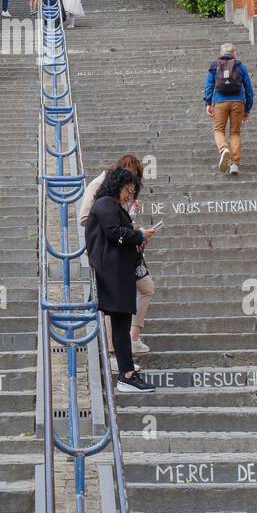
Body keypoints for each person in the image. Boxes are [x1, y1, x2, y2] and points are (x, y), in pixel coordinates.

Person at [84, 169, 154, 394]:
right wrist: (139, 235)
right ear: (117, 185)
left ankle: (127, 373)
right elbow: (115, 233)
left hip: (117, 270)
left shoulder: (109, 205)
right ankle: (126, 375)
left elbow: (117, 235)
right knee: (121, 324)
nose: (129, 196)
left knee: (122, 324)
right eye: (127, 190)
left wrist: (138, 239)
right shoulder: (105, 203)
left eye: (132, 193)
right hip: (112, 272)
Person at [204, 43, 254, 176]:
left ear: (221, 54)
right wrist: (247, 109)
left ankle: (223, 149)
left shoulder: (215, 65)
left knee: (219, 129)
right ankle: (234, 164)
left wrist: (208, 103)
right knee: (235, 132)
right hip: (238, 102)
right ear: (234, 53)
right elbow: (249, 89)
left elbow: (209, 86)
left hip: (220, 102)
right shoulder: (240, 66)